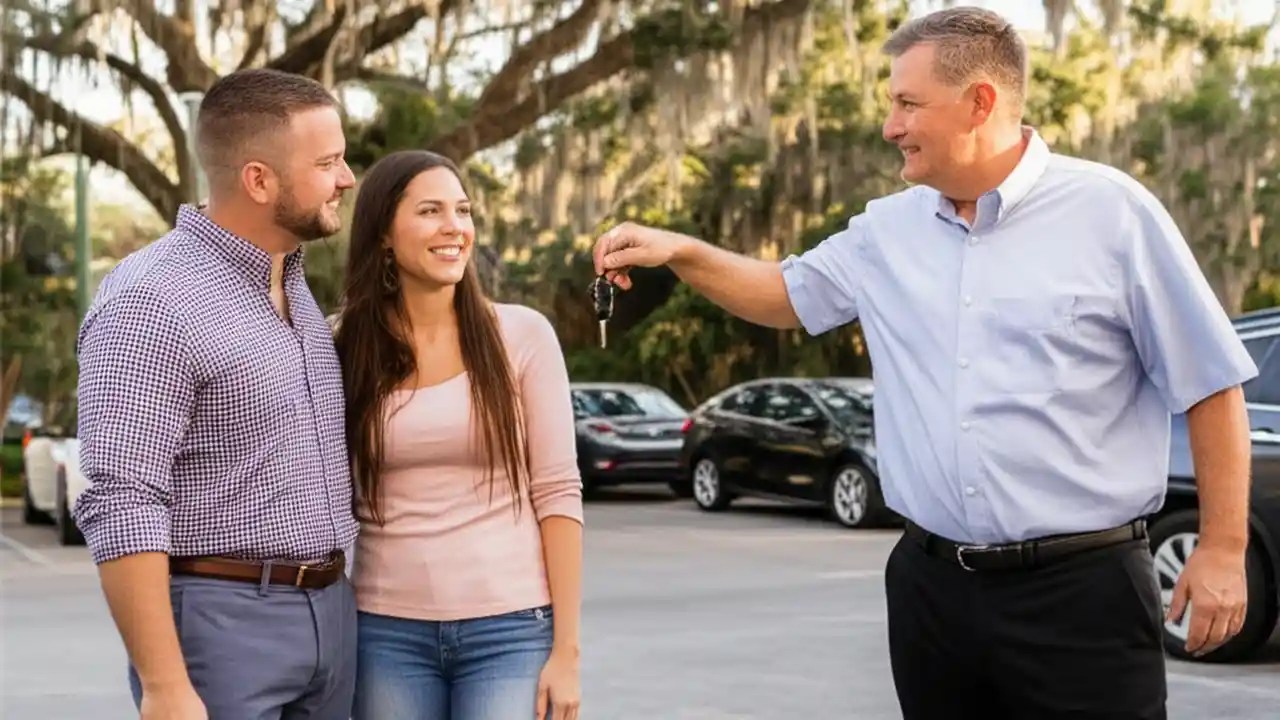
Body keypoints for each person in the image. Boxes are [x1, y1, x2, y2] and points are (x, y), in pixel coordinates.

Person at [591, 7, 1255, 720]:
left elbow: (1211, 385)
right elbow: (785, 294)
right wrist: (683, 253)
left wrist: (1222, 546)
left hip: (1081, 594)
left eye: (908, 104)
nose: (890, 127)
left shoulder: (1114, 214)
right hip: (931, 592)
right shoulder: (886, 230)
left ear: (980, 102)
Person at [72, 68, 360, 720]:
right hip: (223, 626)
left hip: (333, 615)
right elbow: (121, 498)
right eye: (328, 162)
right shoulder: (150, 300)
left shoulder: (294, 282)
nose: (346, 178)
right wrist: (166, 687)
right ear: (259, 180)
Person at [332, 149, 584, 720]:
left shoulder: (522, 335)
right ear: (384, 237)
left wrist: (566, 650)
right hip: (384, 631)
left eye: (463, 210)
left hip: (512, 629)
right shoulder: (341, 345)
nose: (454, 228)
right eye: (430, 211)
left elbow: (559, 494)